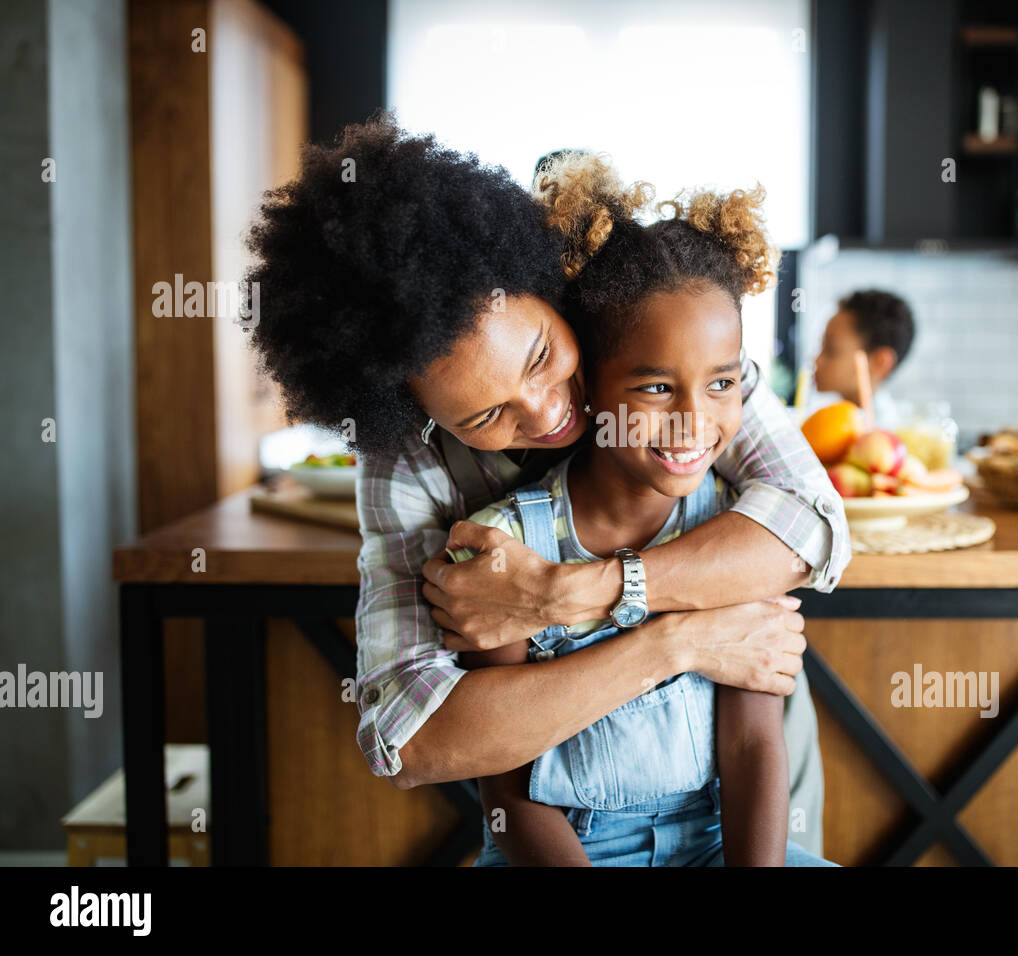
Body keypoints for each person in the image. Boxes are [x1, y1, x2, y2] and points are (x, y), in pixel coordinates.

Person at [245, 114, 850, 856]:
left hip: (740, 806)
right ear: (415, 414)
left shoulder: (661, 350)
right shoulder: (410, 466)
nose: (547, 410)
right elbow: (413, 735)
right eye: (488, 412)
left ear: (550, 291)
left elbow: (813, 526)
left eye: (539, 356)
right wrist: (680, 642)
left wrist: (568, 595)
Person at [453, 154, 832, 865]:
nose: (694, 421)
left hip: (714, 844)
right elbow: (507, 791)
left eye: (722, 382)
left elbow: (754, 742)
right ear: (586, 387)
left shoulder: (735, 535)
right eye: (657, 388)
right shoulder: (508, 548)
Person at [812, 289, 915, 424]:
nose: (816, 360)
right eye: (822, 347)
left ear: (879, 362)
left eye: (831, 350)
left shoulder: (884, 435)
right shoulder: (823, 421)